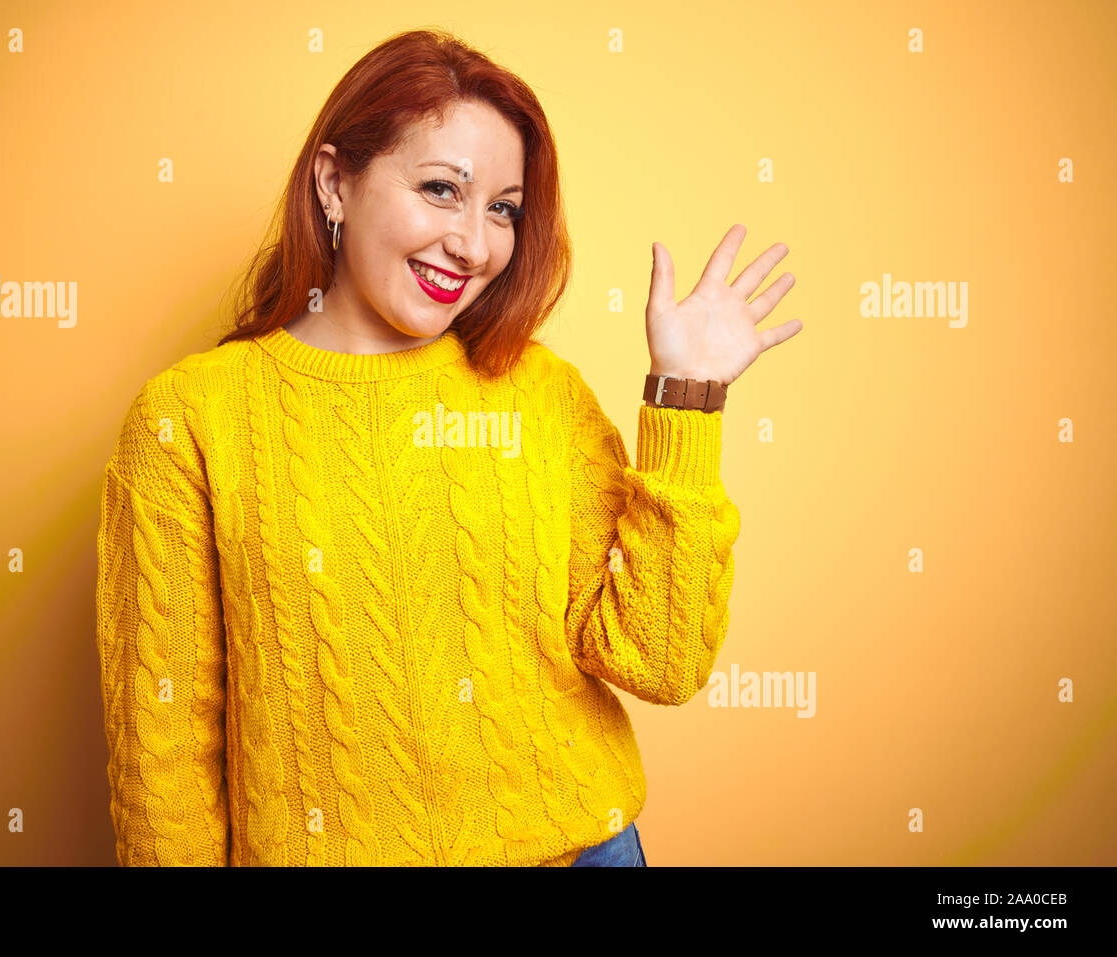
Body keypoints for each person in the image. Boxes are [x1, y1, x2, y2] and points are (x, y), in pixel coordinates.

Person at [93, 28, 801, 868]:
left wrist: (687, 395)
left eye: (503, 208)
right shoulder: (187, 419)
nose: (475, 244)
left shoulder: (540, 393)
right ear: (334, 182)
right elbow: (164, 756)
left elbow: (661, 659)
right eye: (441, 189)